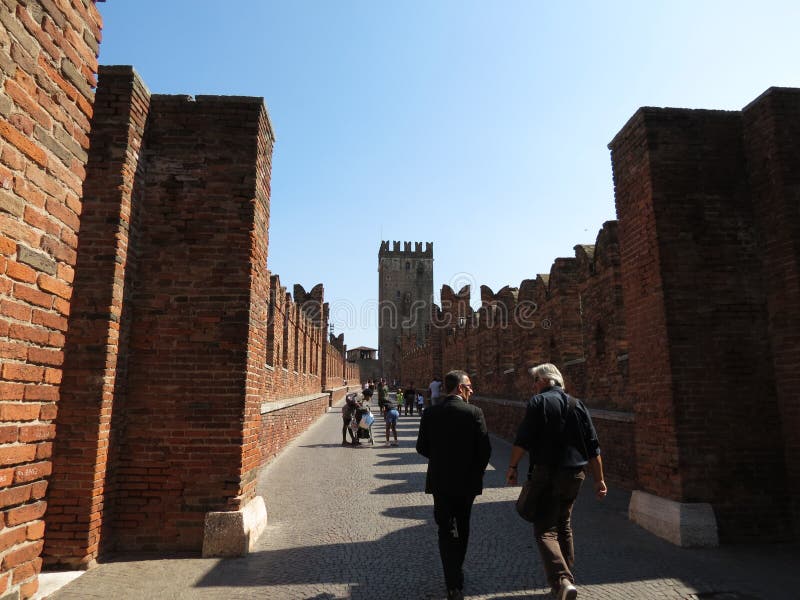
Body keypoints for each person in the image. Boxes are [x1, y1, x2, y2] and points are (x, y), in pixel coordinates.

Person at [505, 363, 607, 600]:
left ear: (543, 380)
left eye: (535, 381)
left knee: (544, 530)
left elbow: (523, 440)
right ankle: (565, 583)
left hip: (547, 473)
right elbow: (593, 446)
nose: (533, 386)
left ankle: (562, 579)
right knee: (564, 524)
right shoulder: (577, 404)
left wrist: (512, 467)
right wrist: (599, 480)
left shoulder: (538, 403)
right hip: (575, 475)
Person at [416, 370, 492, 600]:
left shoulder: (430, 413)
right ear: (459, 388)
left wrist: (440, 460)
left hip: (440, 480)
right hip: (467, 482)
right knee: (463, 525)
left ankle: (452, 583)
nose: (472, 389)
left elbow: (422, 447)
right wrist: (474, 472)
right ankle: (457, 572)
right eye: (469, 386)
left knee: (445, 529)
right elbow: (485, 450)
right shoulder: (474, 412)